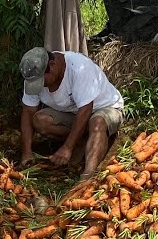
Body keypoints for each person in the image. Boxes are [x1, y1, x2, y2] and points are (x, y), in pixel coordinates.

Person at [18, 47, 125, 176]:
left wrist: (67, 147)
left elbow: (86, 109)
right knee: (40, 120)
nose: (40, 86)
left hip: (104, 108)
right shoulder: (33, 76)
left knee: (97, 122)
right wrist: (27, 152)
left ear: (52, 65)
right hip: (74, 115)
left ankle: (87, 177)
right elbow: (28, 111)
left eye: (42, 80)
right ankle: (83, 141)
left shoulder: (79, 69)